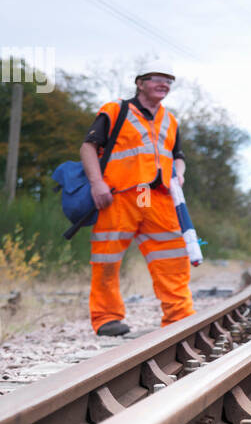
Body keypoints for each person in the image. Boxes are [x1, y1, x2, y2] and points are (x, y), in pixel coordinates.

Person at [80, 67, 194, 337]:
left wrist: (179, 173)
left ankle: (179, 316)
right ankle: (106, 318)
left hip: (157, 197)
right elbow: (88, 147)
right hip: (121, 195)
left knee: (173, 257)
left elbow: (178, 155)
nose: (164, 84)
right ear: (140, 83)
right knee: (106, 258)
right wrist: (97, 183)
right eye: (158, 79)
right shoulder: (116, 110)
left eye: (169, 81)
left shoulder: (171, 120)